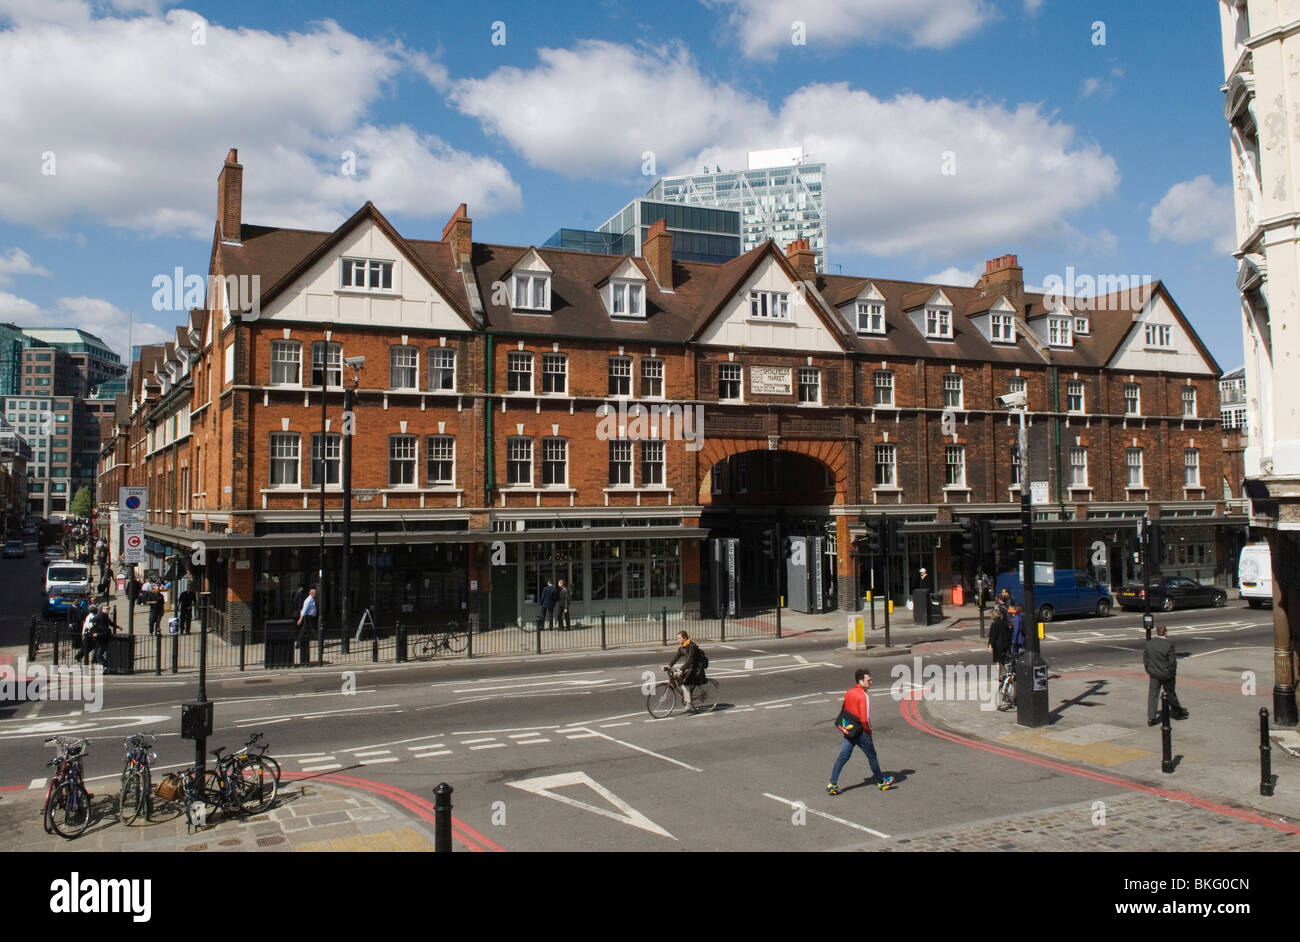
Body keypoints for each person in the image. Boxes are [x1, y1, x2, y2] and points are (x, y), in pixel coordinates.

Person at [827, 668, 895, 795]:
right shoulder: (863, 696)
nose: (871, 682)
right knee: (872, 756)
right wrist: (868, 731)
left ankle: (832, 784)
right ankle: (881, 782)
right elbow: (864, 719)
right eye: (868, 680)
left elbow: (845, 708)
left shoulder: (849, 692)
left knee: (843, 756)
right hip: (861, 732)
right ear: (861, 681)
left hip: (849, 730)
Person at [1144, 624, 1189, 726]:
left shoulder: (1149, 644)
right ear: (1165, 633)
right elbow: (1172, 662)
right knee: (1170, 693)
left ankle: (1151, 718)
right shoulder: (1168, 645)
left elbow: (1146, 659)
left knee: (1153, 695)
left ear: (1157, 632)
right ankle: (1177, 712)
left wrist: (1149, 670)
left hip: (1154, 673)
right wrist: (1172, 672)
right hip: (1166, 674)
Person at [666, 630, 707, 712]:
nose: (678, 640)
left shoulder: (692, 646)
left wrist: (681, 670)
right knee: (678, 677)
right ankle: (687, 695)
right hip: (690, 667)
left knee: (685, 682)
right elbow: (676, 657)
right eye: (677, 638)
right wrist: (669, 666)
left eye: (680, 638)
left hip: (697, 667)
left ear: (684, 638)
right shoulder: (682, 647)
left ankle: (689, 704)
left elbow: (690, 660)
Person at [296, 587, 318, 665]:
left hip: (310, 617)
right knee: (312, 630)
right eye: (315, 593)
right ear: (311, 593)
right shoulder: (308, 600)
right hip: (308, 617)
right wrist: (300, 619)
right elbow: (304, 610)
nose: (316, 594)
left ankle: (298, 643)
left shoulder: (311, 599)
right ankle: (298, 643)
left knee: (306, 630)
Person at [90, 604, 113, 669]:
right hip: (101, 638)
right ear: (102, 609)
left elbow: (107, 628)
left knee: (99, 654)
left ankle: (106, 665)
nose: (108, 610)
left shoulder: (105, 616)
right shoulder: (101, 616)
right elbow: (93, 621)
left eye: (108, 609)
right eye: (107, 609)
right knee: (99, 654)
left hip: (103, 638)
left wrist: (97, 634)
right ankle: (106, 665)